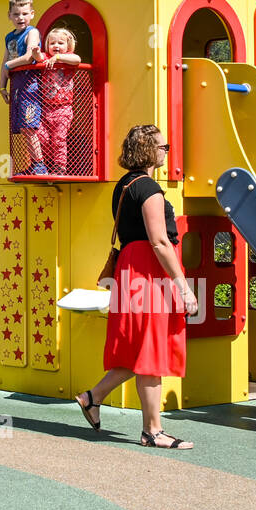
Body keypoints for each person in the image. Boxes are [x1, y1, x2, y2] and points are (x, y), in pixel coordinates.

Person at [74, 124, 199, 449]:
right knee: (151, 350)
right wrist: (183, 286)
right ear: (149, 150)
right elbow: (160, 241)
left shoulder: (125, 185)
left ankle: (93, 397)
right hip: (149, 269)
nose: (166, 152)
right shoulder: (150, 188)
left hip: (132, 266)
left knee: (140, 348)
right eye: (163, 147)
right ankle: (152, 431)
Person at [0, 0, 44, 175]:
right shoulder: (10, 37)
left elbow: (29, 56)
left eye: (25, 14)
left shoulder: (32, 32)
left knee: (29, 126)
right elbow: (5, 61)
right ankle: (34, 163)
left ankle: (39, 163)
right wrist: (2, 86)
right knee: (23, 129)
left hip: (31, 87)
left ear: (32, 14)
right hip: (17, 88)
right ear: (9, 15)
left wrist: (10, 65)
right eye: (16, 14)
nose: (21, 18)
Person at [36, 27, 82, 176]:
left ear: (68, 46)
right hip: (46, 108)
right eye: (52, 43)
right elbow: (37, 58)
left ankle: (59, 167)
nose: (56, 46)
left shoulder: (68, 58)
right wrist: (36, 52)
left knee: (58, 139)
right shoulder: (46, 57)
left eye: (60, 43)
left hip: (63, 109)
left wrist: (58, 58)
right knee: (42, 137)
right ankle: (47, 164)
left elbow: (77, 60)